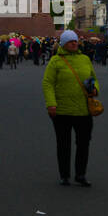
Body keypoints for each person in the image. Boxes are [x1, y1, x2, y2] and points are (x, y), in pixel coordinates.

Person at [42, 29, 98, 187]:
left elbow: (93, 78)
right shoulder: (56, 61)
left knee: (83, 143)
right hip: (61, 110)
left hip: (83, 110)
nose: (74, 43)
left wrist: (95, 89)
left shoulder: (85, 59)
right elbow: (47, 83)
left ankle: (81, 174)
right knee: (63, 144)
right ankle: (64, 175)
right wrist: (51, 103)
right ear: (63, 43)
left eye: (75, 41)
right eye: (70, 41)